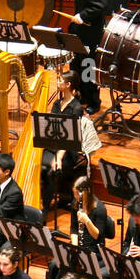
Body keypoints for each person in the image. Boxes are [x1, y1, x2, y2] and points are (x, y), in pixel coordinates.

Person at [61, 0, 107, 112]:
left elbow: (100, 5)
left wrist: (83, 16)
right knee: (78, 67)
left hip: (91, 36)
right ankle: (82, 97)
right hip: (81, 35)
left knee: (88, 69)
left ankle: (94, 102)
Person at [39, 76, 88, 209]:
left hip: (68, 150)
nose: (58, 82)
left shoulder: (76, 108)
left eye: (60, 80)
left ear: (68, 85)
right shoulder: (57, 104)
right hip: (54, 145)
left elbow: (70, 137)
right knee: (39, 166)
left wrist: (58, 157)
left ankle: (45, 207)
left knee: (50, 170)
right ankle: (42, 200)